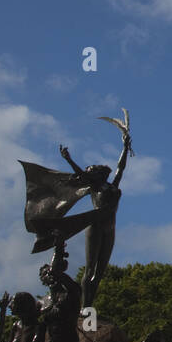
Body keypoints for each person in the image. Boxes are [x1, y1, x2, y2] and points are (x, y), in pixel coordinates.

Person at [58, 128, 130, 308]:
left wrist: (125, 147)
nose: (89, 172)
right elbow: (81, 174)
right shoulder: (94, 187)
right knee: (90, 269)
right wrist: (68, 159)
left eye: (92, 170)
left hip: (110, 229)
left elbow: (120, 168)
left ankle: (89, 306)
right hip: (96, 227)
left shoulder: (112, 186)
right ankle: (84, 308)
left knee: (100, 272)